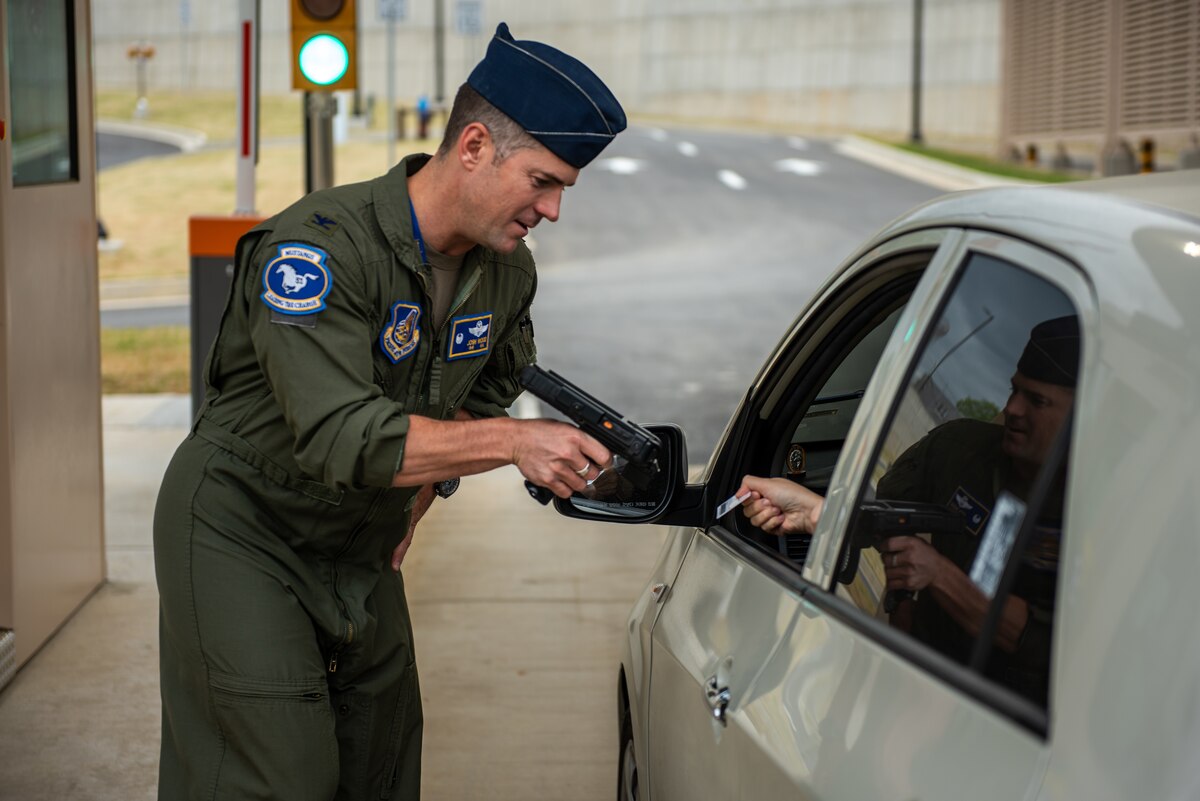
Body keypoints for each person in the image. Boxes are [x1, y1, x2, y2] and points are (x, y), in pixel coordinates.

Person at [153, 23, 626, 801]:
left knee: (379, 760)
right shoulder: (317, 250)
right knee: (279, 776)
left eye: (562, 189)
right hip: (245, 527)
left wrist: (419, 492)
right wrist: (513, 443)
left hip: (361, 543)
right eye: (543, 181)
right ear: (474, 146)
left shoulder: (506, 275)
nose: (551, 210)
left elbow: (488, 382)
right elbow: (343, 431)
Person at [737, 316, 1078, 703]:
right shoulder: (958, 449)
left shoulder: (1099, 519)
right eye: (1014, 390)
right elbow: (887, 517)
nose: (1012, 408)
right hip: (912, 679)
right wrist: (817, 514)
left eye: (1037, 400)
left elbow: (1054, 649)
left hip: (1000, 714)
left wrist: (939, 574)